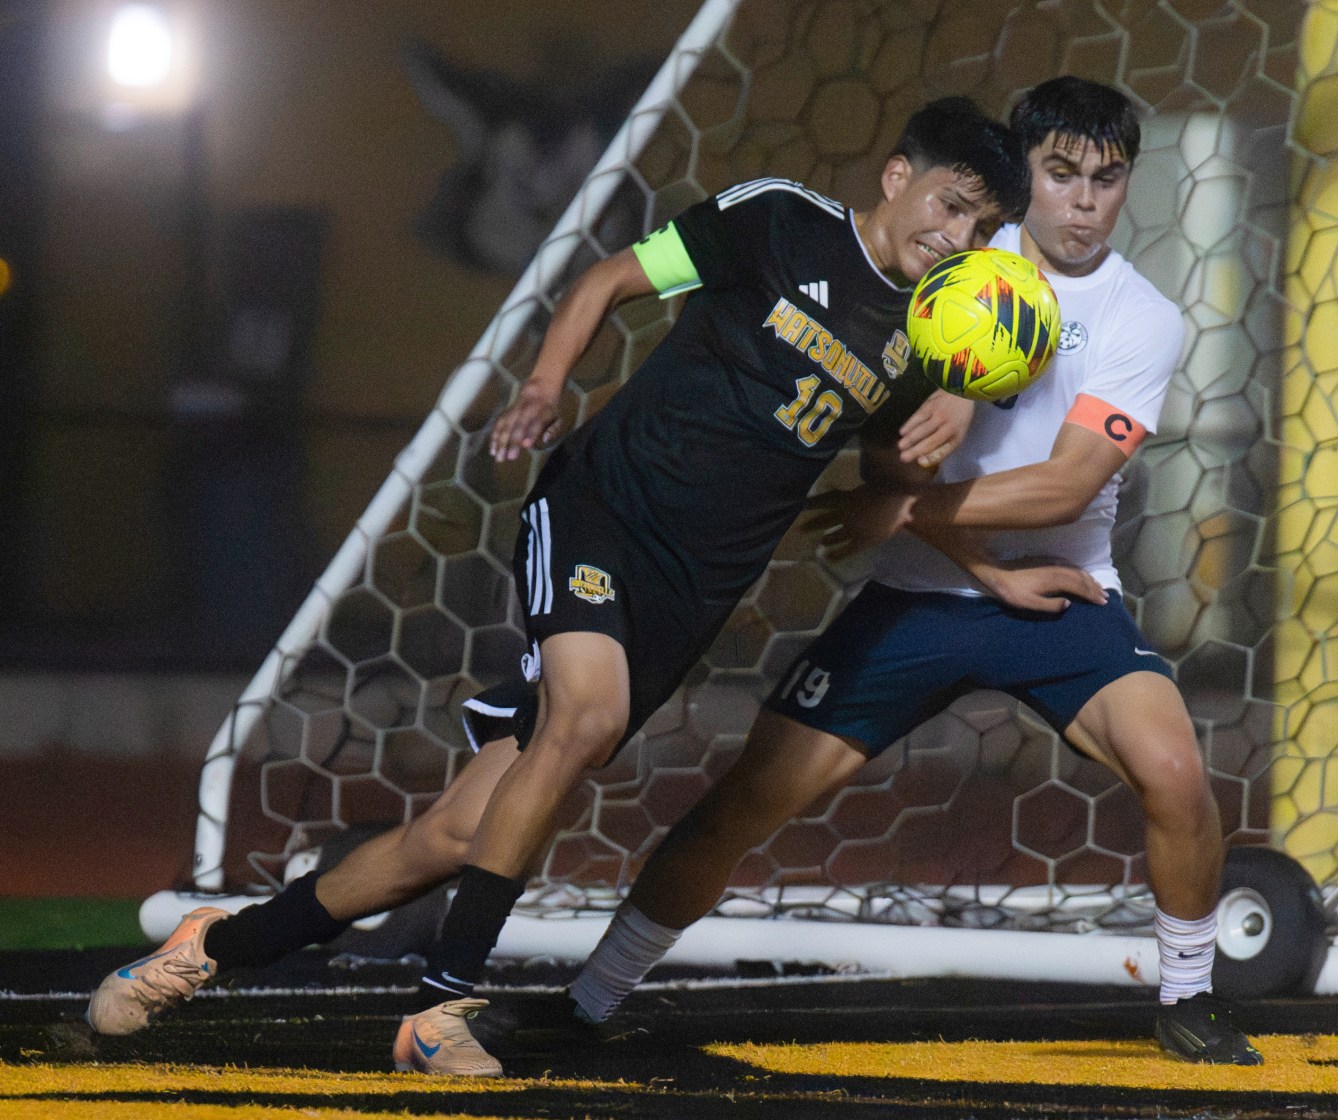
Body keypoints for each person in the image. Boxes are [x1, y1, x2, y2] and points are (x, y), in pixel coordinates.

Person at [87, 97, 1043, 1077]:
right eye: (950, 203)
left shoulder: (934, 338)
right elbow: (610, 278)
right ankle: (441, 1002)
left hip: (688, 594)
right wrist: (544, 384)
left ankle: (209, 944)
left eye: (978, 226)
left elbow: (888, 479)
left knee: (452, 833)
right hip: (601, 508)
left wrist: (953, 415)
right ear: (896, 176)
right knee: (581, 719)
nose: (955, 234)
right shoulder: (778, 219)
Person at [545, 76, 1263, 1067]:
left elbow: (1065, 483)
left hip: (1059, 595)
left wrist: (907, 504)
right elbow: (850, 387)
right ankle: (588, 997)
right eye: (1059, 174)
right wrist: (909, 458)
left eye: (1105, 178)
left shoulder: (1142, 317)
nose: (1084, 200)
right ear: (1023, 179)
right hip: (919, 593)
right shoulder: (949, 256)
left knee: (1178, 770)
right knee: (746, 798)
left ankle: (1188, 996)